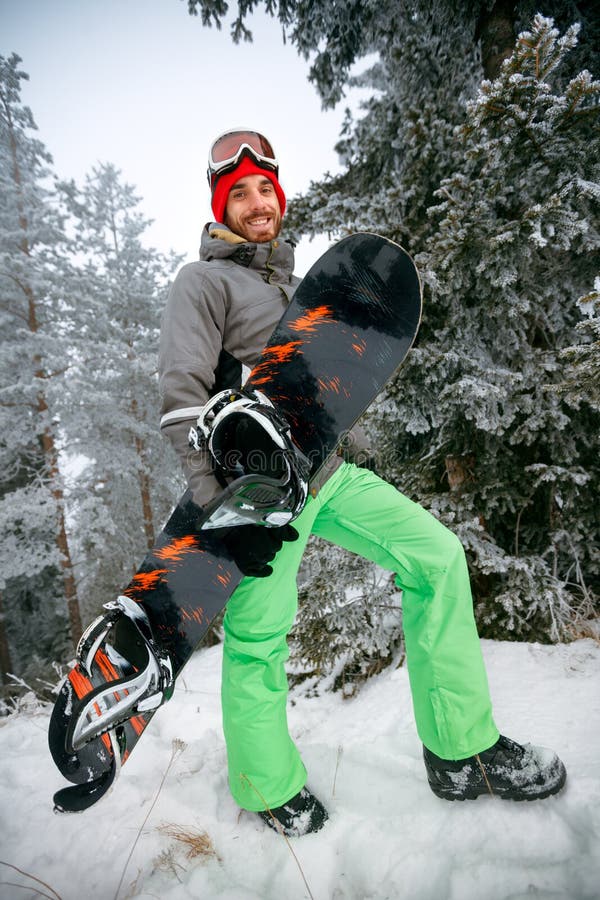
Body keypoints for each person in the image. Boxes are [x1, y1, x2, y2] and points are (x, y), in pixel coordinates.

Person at [158, 129, 566, 837]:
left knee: (435, 557)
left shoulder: (291, 284)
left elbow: (329, 384)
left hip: (330, 474)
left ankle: (460, 748)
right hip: (260, 493)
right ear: (221, 206)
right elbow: (182, 396)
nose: (258, 204)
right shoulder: (203, 283)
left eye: (266, 190)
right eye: (241, 193)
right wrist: (217, 503)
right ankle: (265, 785)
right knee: (260, 634)